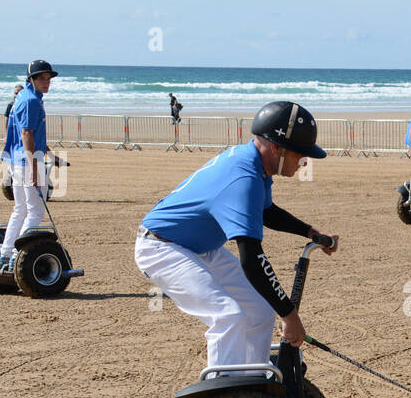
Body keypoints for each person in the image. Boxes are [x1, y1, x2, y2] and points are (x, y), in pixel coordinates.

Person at [134, 101, 339, 368]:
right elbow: (252, 259)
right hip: (161, 248)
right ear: (276, 147)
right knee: (227, 315)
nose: (304, 162)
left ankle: (254, 387)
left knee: (260, 310)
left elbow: (266, 212)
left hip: (196, 247)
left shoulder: (255, 164)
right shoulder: (244, 178)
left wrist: (309, 232)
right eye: (299, 154)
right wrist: (290, 316)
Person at [0, 60, 59, 273]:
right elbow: (26, 134)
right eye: (42, 78)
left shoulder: (23, 97)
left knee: (20, 209)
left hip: (18, 161)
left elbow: (32, 133)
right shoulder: (31, 100)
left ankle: (5, 254)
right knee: (34, 212)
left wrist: (50, 154)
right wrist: (35, 168)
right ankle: (17, 255)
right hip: (27, 163)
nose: (46, 82)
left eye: (48, 78)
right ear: (31, 79)